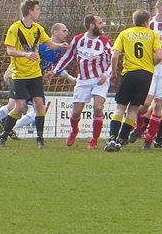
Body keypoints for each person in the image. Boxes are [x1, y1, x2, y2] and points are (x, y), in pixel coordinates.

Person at [0, 22, 70, 139]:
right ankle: (2, 128)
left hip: (29, 76)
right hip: (17, 73)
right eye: (64, 31)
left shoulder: (59, 51)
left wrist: (48, 74)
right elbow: (32, 59)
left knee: (27, 107)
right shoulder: (43, 46)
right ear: (55, 32)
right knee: (27, 107)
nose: (67, 33)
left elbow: (55, 68)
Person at [0, 0, 66, 149]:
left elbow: (50, 44)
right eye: (37, 9)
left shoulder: (38, 29)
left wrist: (61, 45)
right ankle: (3, 135)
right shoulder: (14, 28)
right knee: (20, 106)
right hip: (20, 75)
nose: (39, 12)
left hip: (35, 75)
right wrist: (25, 54)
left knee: (39, 105)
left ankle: (40, 139)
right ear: (30, 11)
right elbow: (9, 50)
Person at [47, 14, 113, 148]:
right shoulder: (78, 40)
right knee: (76, 112)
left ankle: (94, 140)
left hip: (100, 79)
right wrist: (54, 71)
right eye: (100, 23)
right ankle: (74, 130)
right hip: (83, 80)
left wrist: (106, 75)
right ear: (92, 26)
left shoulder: (104, 41)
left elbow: (113, 60)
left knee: (98, 108)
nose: (102, 26)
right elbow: (67, 56)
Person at [105, 10, 162, 152]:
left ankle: (112, 139)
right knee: (133, 108)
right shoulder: (152, 34)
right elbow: (160, 56)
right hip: (145, 76)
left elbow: (114, 56)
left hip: (129, 74)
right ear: (147, 20)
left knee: (120, 107)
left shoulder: (125, 33)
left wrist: (113, 73)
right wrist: (150, 64)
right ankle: (120, 141)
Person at [131, 0, 162, 148]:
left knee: (159, 102)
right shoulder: (149, 23)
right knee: (145, 102)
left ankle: (149, 139)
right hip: (150, 66)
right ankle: (139, 127)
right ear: (161, 8)